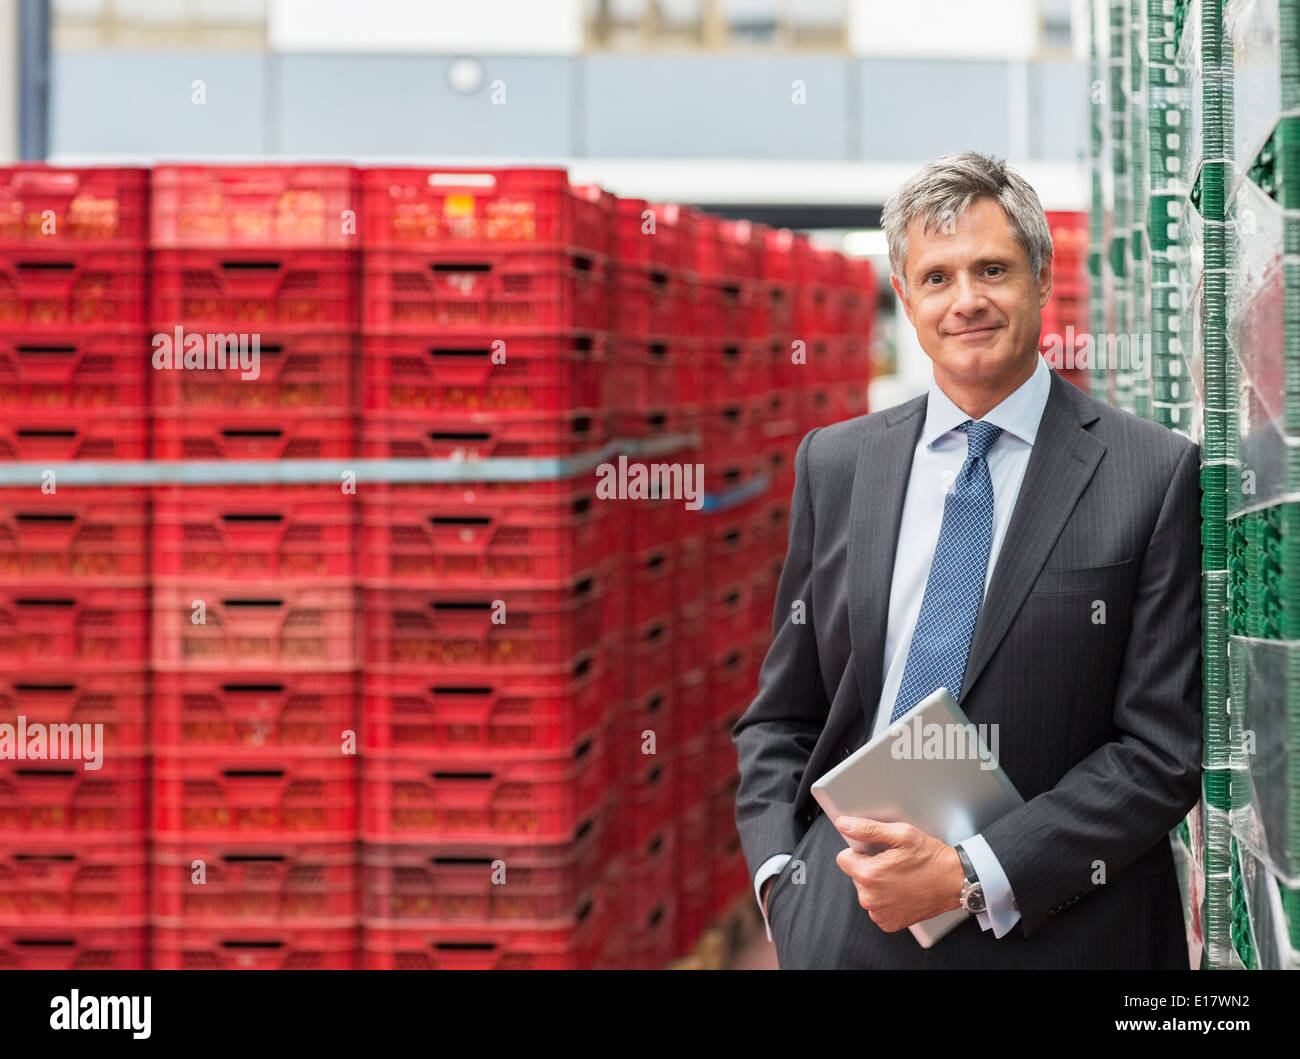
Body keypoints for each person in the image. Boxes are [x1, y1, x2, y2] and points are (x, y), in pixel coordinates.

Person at [732, 151, 1202, 969]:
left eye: (992, 268)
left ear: (1042, 278)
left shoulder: (1151, 474)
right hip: (853, 922)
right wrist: (785, 880)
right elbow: (783, 712)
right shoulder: (838, 465)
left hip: (1063, 928)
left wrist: (966, 875)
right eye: (938, 276)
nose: (968, 300)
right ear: (906, 295)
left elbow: (1161, 751)